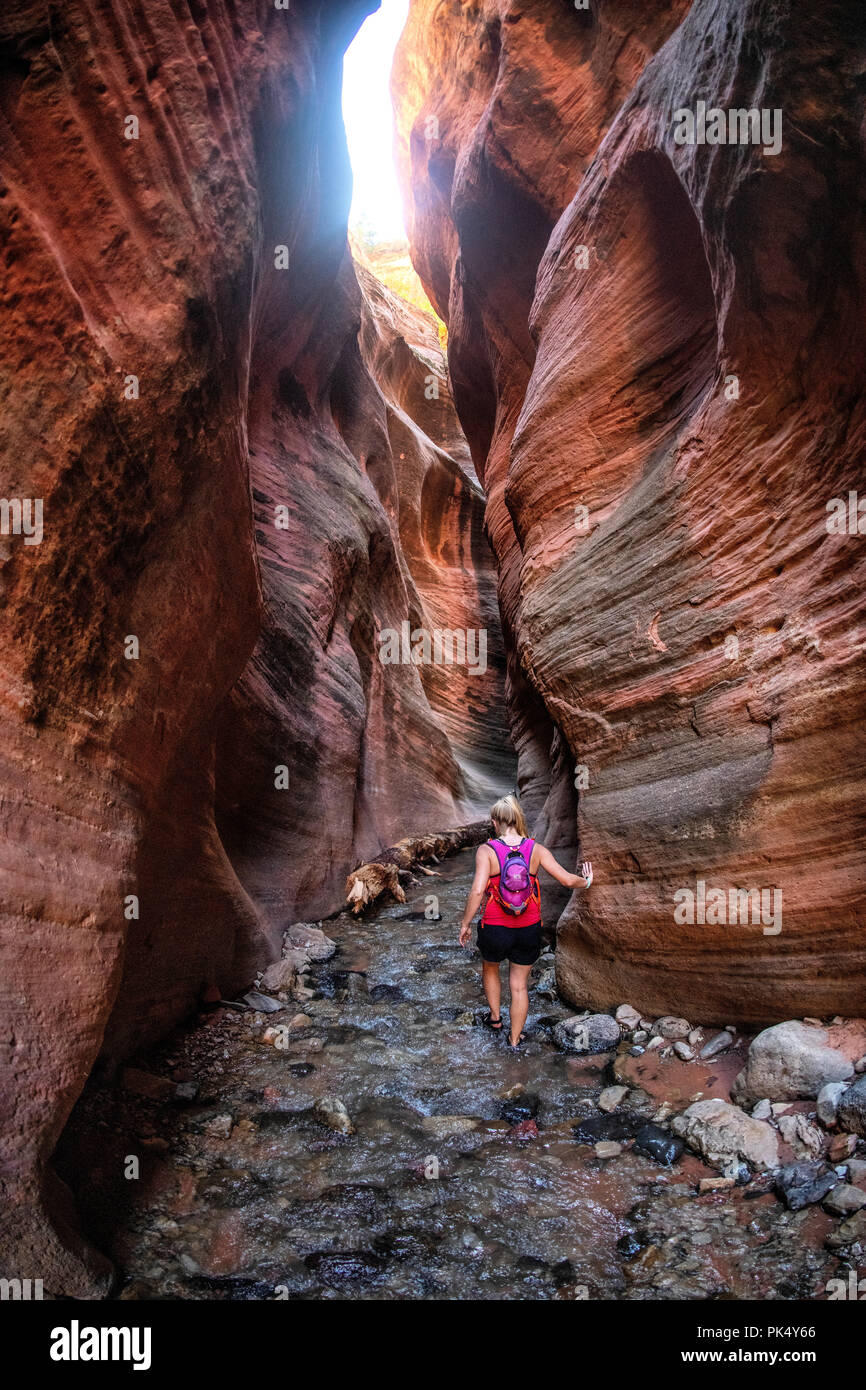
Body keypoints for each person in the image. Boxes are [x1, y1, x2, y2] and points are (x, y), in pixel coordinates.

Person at [458, 795, 593, 1049]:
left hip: (494, 927)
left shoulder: (487, 851)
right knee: (519, 985)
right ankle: (514, 1039)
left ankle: (496, 1019)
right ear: (518, 819)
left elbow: (477, 891)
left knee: (490, 968)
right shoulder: (536, 849)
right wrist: (586, 881)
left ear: (495, 821)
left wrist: (465, 923)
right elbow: (566, 879)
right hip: (528, 927)